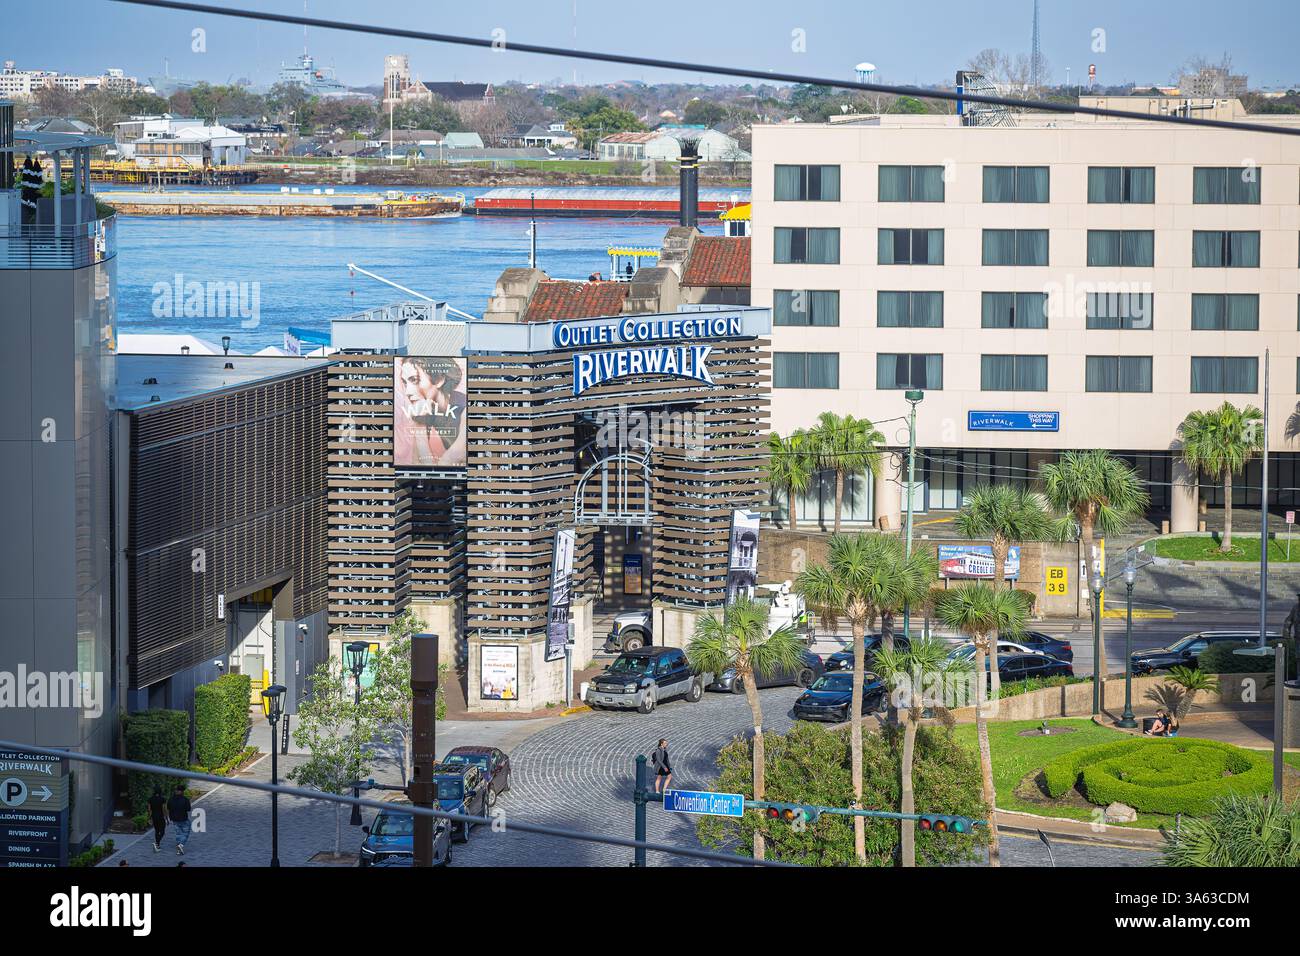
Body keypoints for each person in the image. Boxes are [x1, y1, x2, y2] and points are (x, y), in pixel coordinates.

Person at [167, 784, 193, 855]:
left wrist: (169, 817)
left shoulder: (171, 799)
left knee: (178, 833)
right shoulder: (185, 800)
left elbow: (168, 808)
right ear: (182, 791)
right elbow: (188, 809)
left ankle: (179, 848)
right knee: (186, 833)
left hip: (174, 819)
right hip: (183, 818)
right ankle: (181, 845)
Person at [147, 786, 168, 852]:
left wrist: (149, 817)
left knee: (156, 831)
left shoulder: (150, 799)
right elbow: (164, 809)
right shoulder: (162, 799)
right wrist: (167, 818)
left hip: (154, 816)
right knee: (162, 832)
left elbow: (149, 809)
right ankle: (157, 843)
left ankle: (157, 844)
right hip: (160, 816)